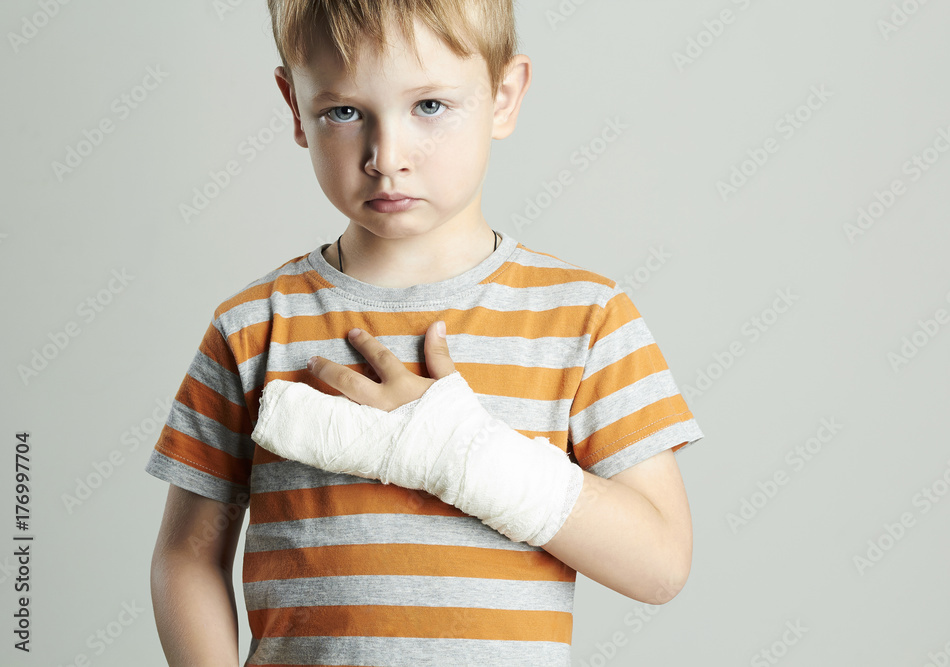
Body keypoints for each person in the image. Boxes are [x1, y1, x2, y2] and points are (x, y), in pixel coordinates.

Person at [145, 1, 706, 665]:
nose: (387, 157)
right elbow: (186, 557)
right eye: (344, 111)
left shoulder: (587, 318)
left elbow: (660, 564)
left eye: (431, 106)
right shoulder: (252, 328)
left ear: (504, 96)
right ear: (295, 107)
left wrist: (461, 451)